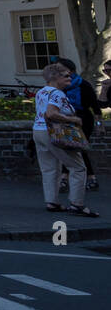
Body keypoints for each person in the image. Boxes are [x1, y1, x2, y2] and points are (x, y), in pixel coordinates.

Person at [33, 61, 96, 216]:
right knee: (78, 167)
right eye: (66, 76)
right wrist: (73, 120)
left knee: (49, 168)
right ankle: (77, 204)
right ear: (56, 78)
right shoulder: (57, 93)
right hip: (55, 133)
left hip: (38, 131)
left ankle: (52, 202)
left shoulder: (41, 92)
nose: (70, 78)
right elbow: (51, 113)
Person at [55, 56, 99, 191]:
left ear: (70, 70)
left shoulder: (83, 84)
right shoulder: (58, 85)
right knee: (67, 147)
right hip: (65, 118)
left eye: (61, 69)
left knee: (78, 148)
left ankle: (90, 177)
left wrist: (99, 122)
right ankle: (66, 177)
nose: (58, 71)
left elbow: (94, 105)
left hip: (83, 118)